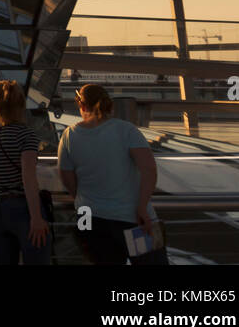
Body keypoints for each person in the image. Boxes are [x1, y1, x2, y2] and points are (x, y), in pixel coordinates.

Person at [58, 84, 167, 265]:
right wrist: (141, 207)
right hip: (133, 219)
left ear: (82, 106)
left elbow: (66, 177)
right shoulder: (126, 130)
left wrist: (82, 198)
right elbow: (149, 169)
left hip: (90, 220)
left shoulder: (70, 135)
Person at [0, 80, 50, 264]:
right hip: (23, 209)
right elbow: (29, 179)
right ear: (20, 105)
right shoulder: (25, 135)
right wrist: (36, 217)